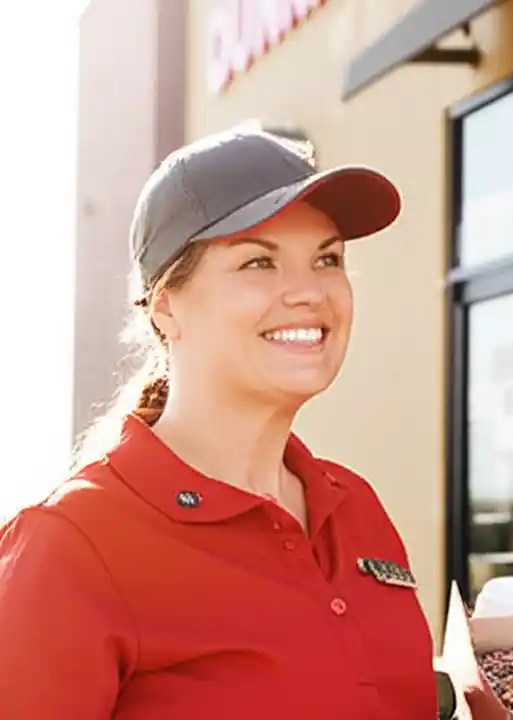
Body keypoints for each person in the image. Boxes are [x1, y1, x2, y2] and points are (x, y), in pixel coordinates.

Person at [0, 128, 474, 718]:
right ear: (165, 304)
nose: (308, 292)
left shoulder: (356, 509)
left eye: (327, 258)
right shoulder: (71, 544)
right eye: (258, 262)